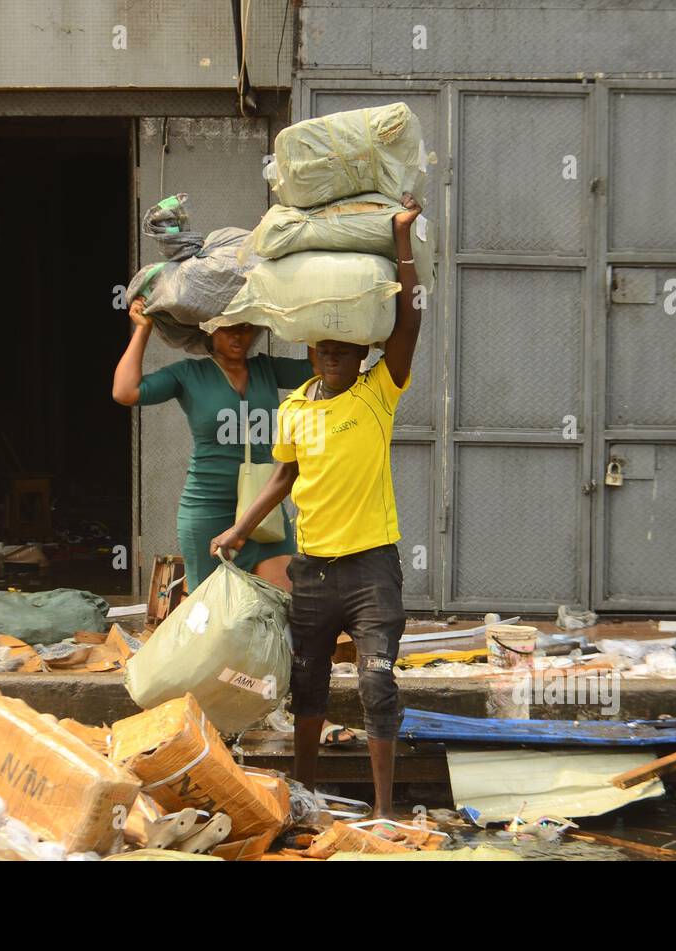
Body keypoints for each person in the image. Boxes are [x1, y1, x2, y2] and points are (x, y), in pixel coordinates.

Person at [210, 193, 423, 818]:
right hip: (313, 572)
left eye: (343, 348)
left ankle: (382, 810)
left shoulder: (378, 394)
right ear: (309, 353)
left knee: (378, 684)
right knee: (307, 687)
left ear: (361, 354)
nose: (332, 355)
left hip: (370, 571)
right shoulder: (295, 408)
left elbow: (408, 322)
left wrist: (402, 242)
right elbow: (283, 477)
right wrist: (239, 528)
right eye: (322, 348)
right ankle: (303, 796)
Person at [111, 299, 362, 748]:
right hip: (208, 510)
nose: (240, 338)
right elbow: (125, 392)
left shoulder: (268, 371)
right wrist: (142, 329)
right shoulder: (189, 375)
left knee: (290, 610)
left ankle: (286, 708)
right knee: (217, 622)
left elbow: (323, 371)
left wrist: (306, 309)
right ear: (209, 333)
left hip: (263, 511)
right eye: (229, 330)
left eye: (247, 329)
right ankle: (211, 715)